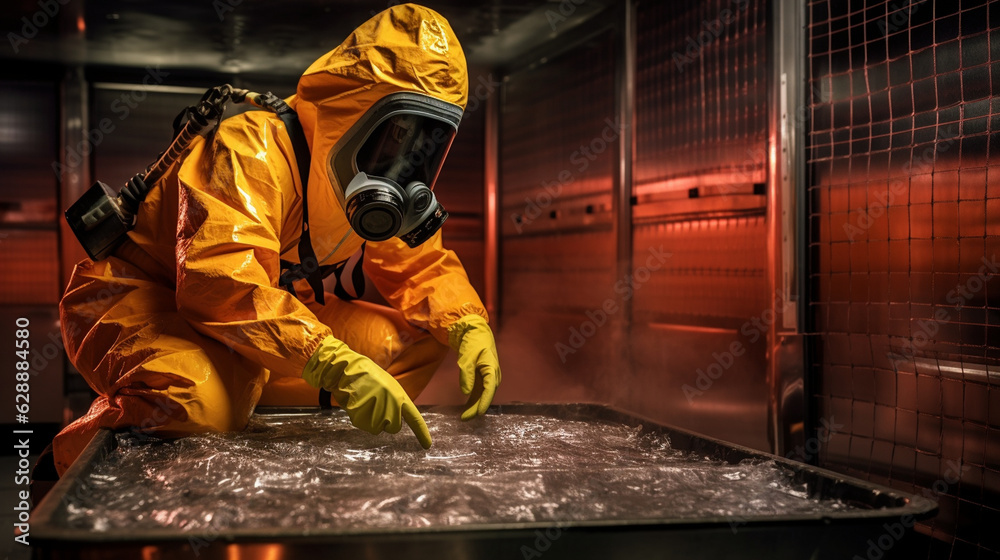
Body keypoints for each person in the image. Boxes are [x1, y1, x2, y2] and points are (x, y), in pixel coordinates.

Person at [49, 3, 500, 477]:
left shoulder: (361, 185)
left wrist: (468, 324)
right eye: (396, 136)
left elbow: (417, 262)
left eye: (424, 143)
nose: (402, 166)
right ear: (352, 111)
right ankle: (65, 470)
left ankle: (242, 400)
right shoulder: (252, 149)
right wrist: (330, 362)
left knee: (413, 345)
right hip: (139, 297)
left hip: (256, 308)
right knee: (193, 401)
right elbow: (219, 279)